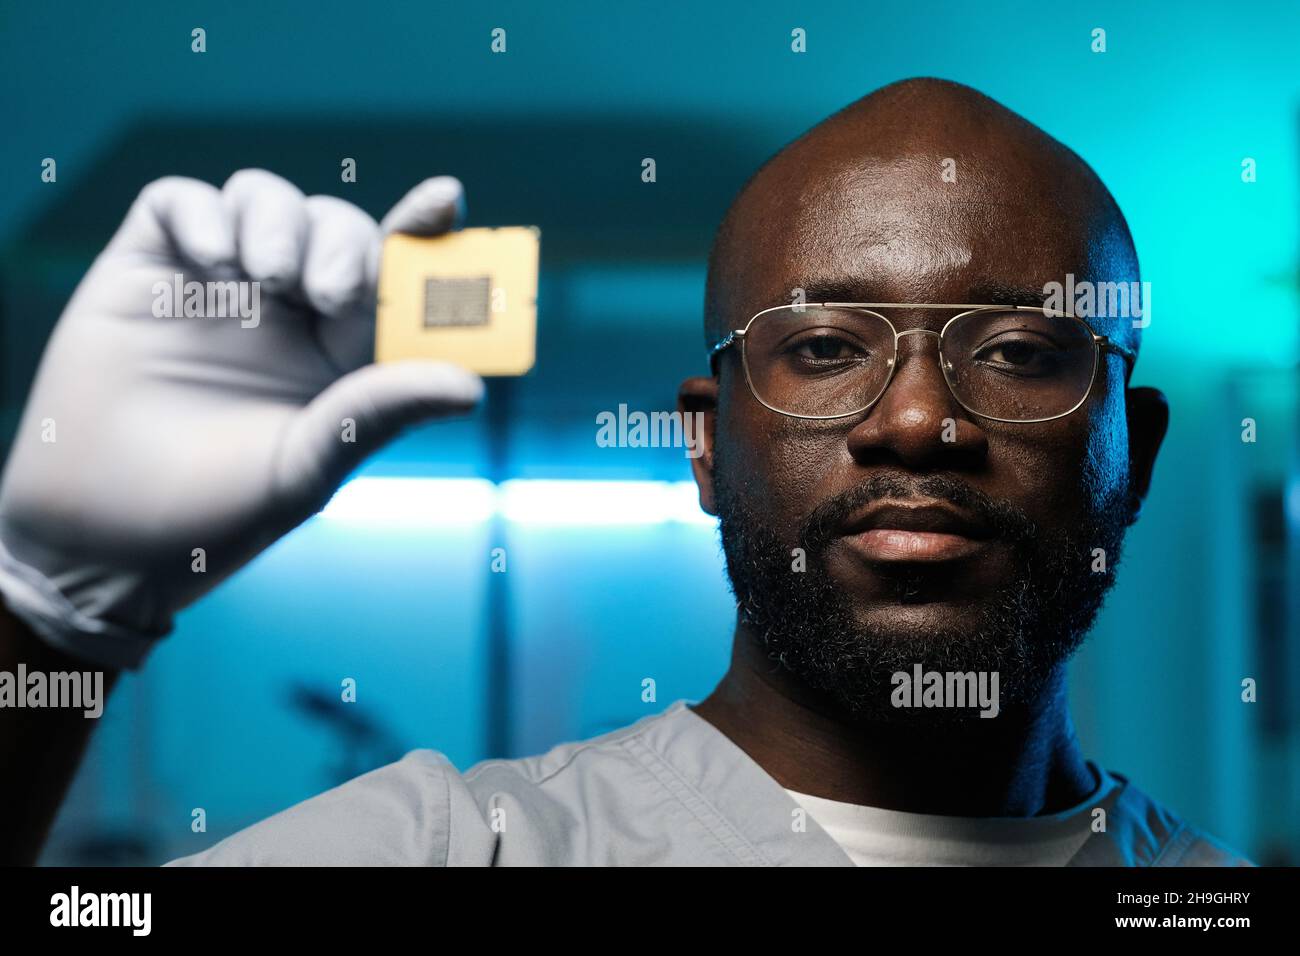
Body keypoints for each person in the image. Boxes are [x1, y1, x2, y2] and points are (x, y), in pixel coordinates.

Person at [0, 78, 1251, 866]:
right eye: (824, 347)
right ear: (703, 443)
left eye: (1020, 350)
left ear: (1131, 453)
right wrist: (49, 613)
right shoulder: (439, 851)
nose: (918, 419)